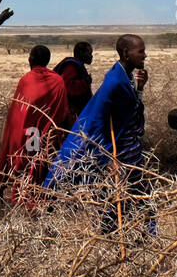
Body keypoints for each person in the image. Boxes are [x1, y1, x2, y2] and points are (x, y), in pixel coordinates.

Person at [44, 34, 153, 234]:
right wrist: (108, 155)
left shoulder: (125, 76)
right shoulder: (115, 83)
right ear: (126, 53)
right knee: (126, 195)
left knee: (127, 195)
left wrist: (139, 89)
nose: (145, 55)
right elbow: (99, 120)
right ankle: (123, 236)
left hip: (129, 148)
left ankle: (133, 235)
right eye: (141, 51)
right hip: (119, 149)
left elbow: (130, 110)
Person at [0, 45, 73, 207]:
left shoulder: (26, 80)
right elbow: (62, 111)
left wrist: (13, 133)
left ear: (31, 59)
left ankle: (22, 193)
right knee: (40, 164)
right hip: (45, 134)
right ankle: (38, 196)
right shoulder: (58, 80)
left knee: (24, 162)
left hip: (25, 132)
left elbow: (17, 112)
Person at [53, 41, 94, 121]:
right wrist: (85, 82)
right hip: (71, 113)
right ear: (81, 53)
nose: (91, 56)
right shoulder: (71, 66)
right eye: (89, 53)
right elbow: (66, 86)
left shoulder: (77, 65)